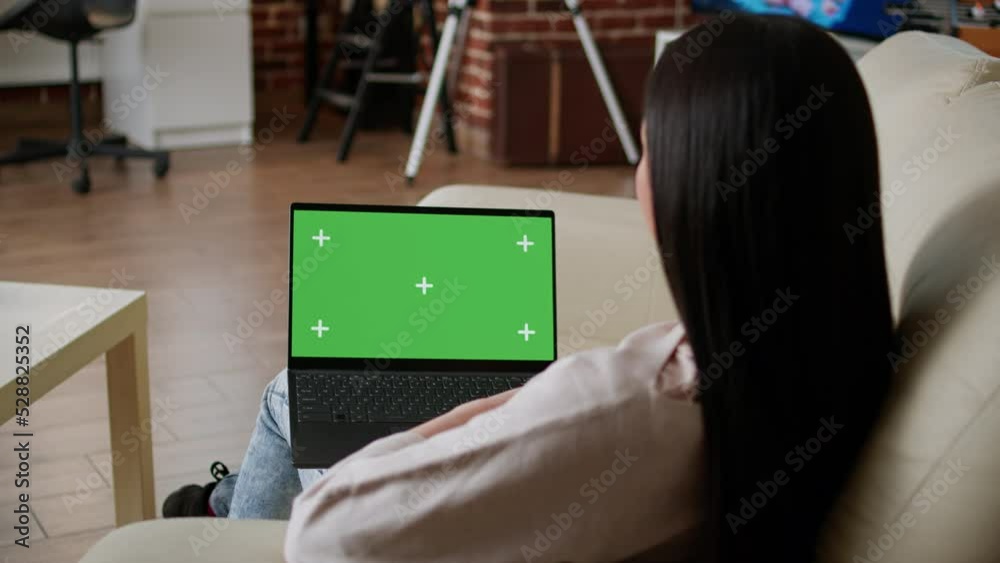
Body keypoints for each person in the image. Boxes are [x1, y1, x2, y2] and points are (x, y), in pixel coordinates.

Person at [164, 14, 893, 563]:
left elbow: (328, 535)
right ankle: (223, 502)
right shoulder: (837, 340)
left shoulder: (627, 404)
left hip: (391, 517)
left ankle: (225, 523)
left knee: (293, 394)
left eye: (646, 149)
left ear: (690, 196)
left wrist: (482, 411)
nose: (638, 171)